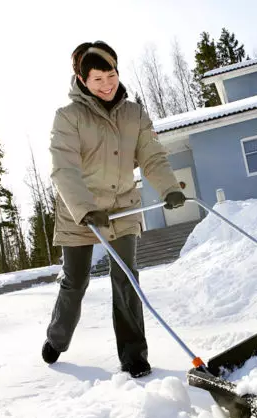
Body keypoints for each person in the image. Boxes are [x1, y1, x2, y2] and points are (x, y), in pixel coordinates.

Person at [41, 41, 186, 378]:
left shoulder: (134, 113)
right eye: (97, 79)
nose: (107, 85)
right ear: (81, 80)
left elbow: (151, 155)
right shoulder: (68, 118)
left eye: (111, 75)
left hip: (121, 206)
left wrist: (168, 187)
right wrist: (85, 208)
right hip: (81, 212)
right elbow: (65, 169)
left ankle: (134, 356)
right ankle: (57, 338)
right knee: (75, 282)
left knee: (126, 279)